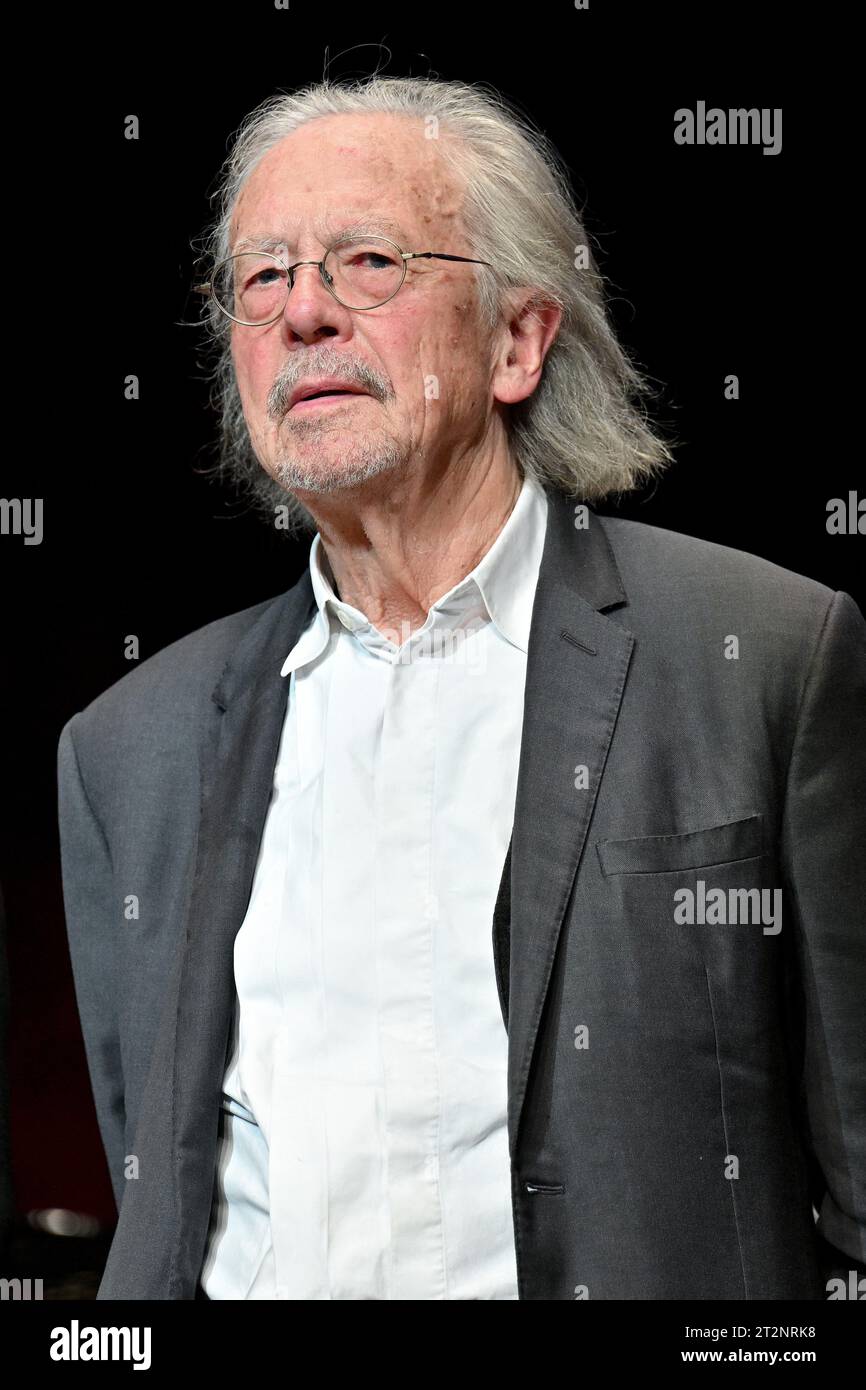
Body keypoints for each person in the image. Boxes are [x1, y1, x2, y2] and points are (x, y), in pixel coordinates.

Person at [57, 75, 865, 1300]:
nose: (303, 314)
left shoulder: (759, 653)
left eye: (366, 260)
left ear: (515, 340)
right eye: (261, 277)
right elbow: (157, 1198)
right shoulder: (128, 746)